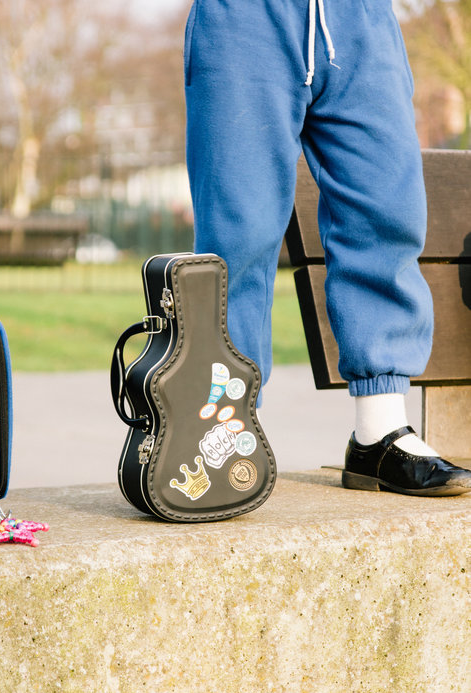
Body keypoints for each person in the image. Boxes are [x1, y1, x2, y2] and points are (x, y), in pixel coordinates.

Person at [184, 0, 471, 496]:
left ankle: (380, 433)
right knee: (239, 231)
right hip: (247, 19)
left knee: (387, 209)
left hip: (361, 19)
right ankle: (226, 429)